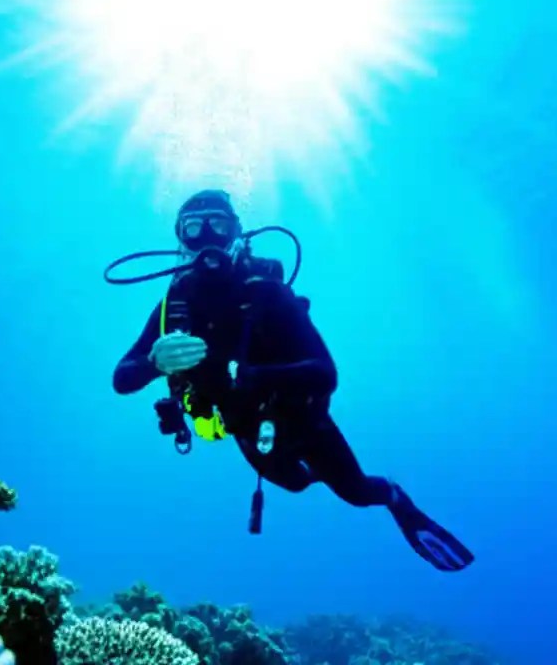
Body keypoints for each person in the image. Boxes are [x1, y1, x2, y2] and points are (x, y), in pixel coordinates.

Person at [111, 189, 473, 572]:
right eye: (193, 229)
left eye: (218, 225)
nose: (207, 239)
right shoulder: (175, 305)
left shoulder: (266, 293)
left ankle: (397, 499)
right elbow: (122, 378)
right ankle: (315, 474)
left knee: (357, 492)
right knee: (297, 484)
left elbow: (325, 372)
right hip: (246, 428)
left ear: (236, 232)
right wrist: (154, 362)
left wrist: (255, 376)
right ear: (180, 239)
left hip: (305, 420)